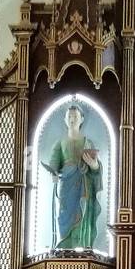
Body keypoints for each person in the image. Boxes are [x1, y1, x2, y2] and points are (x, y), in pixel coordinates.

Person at [42, 104, 102, 250]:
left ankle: (80, 244)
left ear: (81, 119)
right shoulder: (60, 143)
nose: (72, 119)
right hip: (66, 184)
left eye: (75, 116)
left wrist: (94, 165)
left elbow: (95, 167)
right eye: (69, 116)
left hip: (83, 183)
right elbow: (53, 164)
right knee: (64, 213)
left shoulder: (88, 143)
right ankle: (64, 245)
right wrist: (53, 174)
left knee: (82, 211)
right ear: (65, 119)